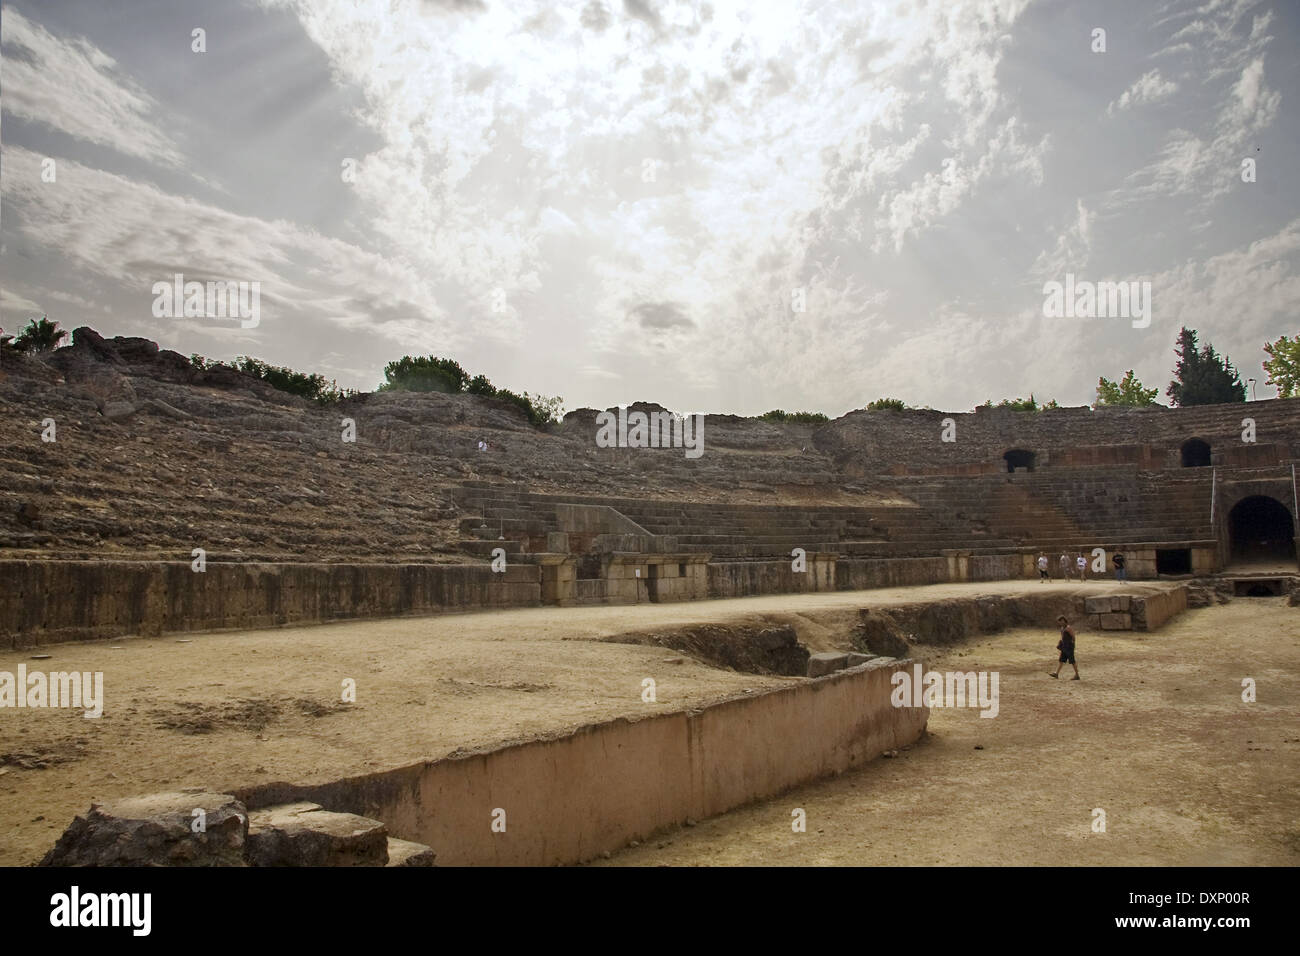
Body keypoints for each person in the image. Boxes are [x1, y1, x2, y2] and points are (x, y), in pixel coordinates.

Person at [1049, 615, 1080, 680]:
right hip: (1064, 647)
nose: (1060, 623)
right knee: (1061, 660)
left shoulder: (1068, 628)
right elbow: (1063, 637)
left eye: (1061, 621)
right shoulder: (1062, 628)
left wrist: (1072, 645)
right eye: (1059, 622)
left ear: (1064, 621)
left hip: (1069, 647)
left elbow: (1073, 637)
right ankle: (1056, 674)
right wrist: (1061, 643)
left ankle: (1077, 675)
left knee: (1072, 661)